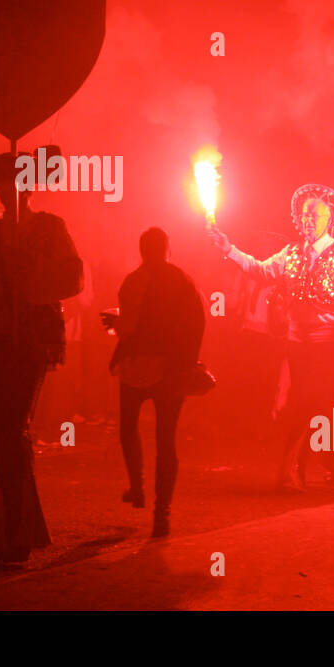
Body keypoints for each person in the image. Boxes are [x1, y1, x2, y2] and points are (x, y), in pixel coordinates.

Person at [211, 184, 334, 491]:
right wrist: (228, 249)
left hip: (328, 343)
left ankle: (303, 467)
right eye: (305, 214)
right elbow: (261, 272)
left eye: (315, 214)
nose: (309, 219)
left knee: (314, 403)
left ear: (329, 220)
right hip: (296, 344)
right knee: (304, 404)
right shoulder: (290, 253)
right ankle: (301, 470)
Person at [0, 164, 83, 564]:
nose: (9, 195)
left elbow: (73, 278)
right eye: (3, 188)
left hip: (32, 342)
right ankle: (17, 528)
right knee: (6, 431)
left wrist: (30, 282)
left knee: (10, 427)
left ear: (31, 190)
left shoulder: (50, 228)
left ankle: (14, 531)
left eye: (17, 187)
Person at [104, 227, 204, 537]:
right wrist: (187, 362)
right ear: (167, 248)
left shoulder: (134, 281)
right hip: (172, 370)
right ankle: (163, 513)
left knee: (128, 427)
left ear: (142, 250)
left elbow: (129, 327)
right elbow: (197, 322)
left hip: (137, 366)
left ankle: (137, 486)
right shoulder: (184, 281)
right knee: (166, 440)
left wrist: (114, 323)